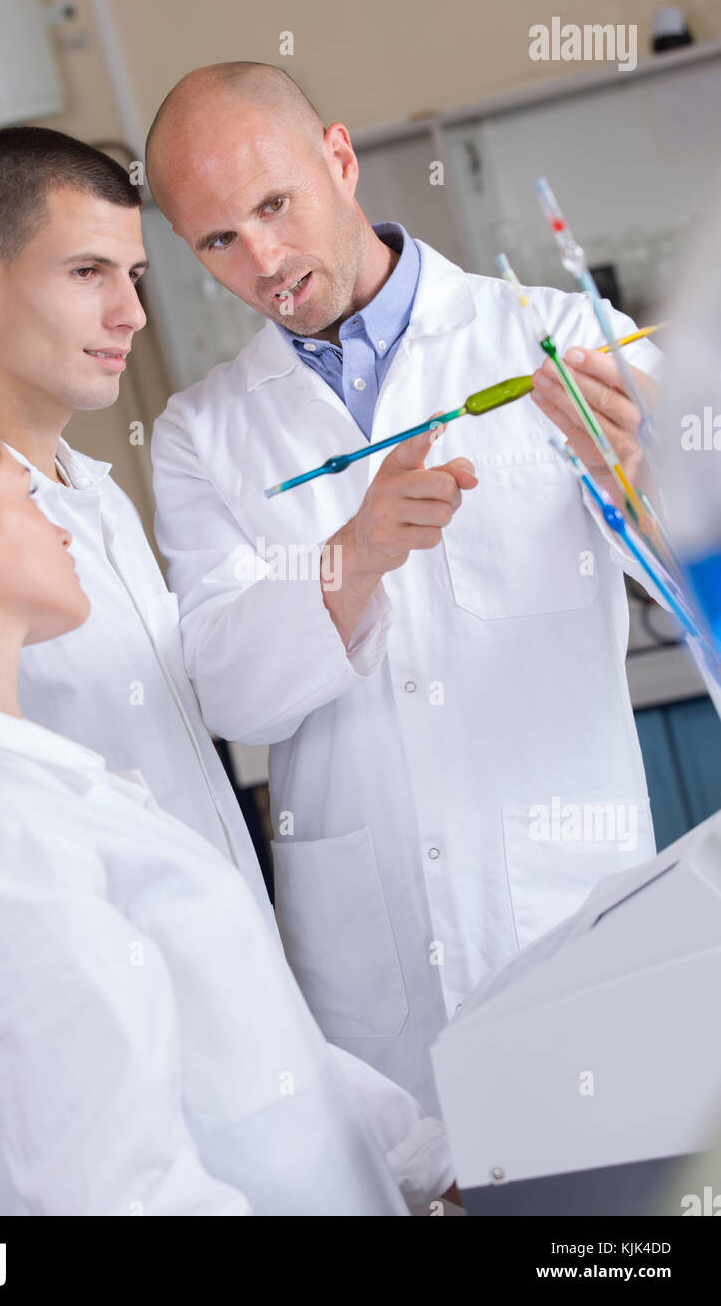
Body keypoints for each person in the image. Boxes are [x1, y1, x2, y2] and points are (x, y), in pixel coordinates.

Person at [146, 61, 665, 1115]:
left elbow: (695, 588)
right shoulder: (200, 434)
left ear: (337, 160)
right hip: (376, 983)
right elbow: (227, 695)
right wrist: (353, 557)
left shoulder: (550, 335)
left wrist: (652, 481)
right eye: (215, 240)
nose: (262, 260)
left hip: (573, 915)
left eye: (274, 205)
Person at [0, 399, 456, 1216]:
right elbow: (117, 1196)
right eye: (29, 499)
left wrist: (427, 1164)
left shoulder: (33, 790)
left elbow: (253, 1052)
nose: (63, 530)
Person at [0, 125, 272, 925]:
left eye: (136, 276)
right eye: (89, 273)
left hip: (223, 968)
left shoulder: (99, 498)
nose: (132, 315)